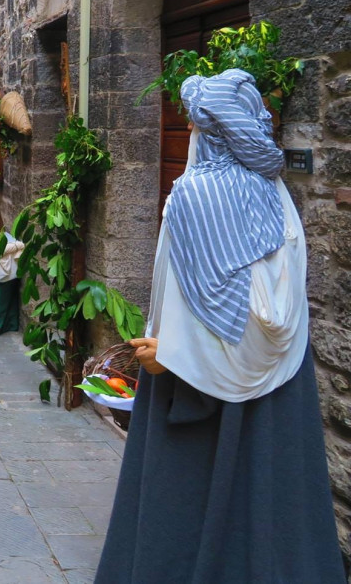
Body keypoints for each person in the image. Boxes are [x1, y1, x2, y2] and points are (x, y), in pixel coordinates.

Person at [95, 69, 343, 583]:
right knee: (269, 502)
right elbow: (272, 305)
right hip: (280, 380)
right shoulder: (275, 191)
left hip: (190, 379)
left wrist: (174, 354)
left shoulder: (194, 196)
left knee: (187, 500)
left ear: (205, 131)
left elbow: (201, 297)